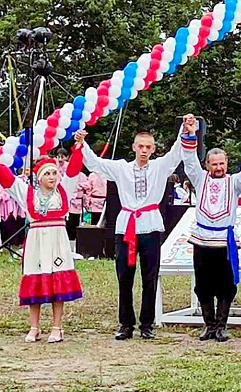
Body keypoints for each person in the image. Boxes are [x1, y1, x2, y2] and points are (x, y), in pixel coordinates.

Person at [73, 125, 183, 341]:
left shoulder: (160, 167)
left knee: (150, 278)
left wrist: (184, 130)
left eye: (148, 147)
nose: (144, 150)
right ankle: (125, 323)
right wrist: (81, 144)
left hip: (150, 226)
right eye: (140, 146)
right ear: (134, 147)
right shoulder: (121, 168)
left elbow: (176, 154)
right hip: (126, 227)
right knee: (124, 278)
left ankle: (147, 324)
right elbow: (95, 163)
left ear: (153, 149)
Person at [0, 140, 86, 343]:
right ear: (39, 178)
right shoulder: (28, 192)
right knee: (35, 281)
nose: (52, 177)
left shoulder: (64, 190)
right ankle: (34, 327)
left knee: (58, 284)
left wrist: (78, 147)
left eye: (54, 173)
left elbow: (74, 169)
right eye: (47, 174)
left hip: (57, 241)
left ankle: (57, 327)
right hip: (37, 240)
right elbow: (8, 180)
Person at [180, 114, 241, 342]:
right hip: (202, 240)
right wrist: (191, 132)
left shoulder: (234, 182)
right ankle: (209, 325)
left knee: (226, 285)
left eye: (221, 163)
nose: (218, 167)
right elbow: (189, 160)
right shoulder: (199, 179)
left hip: (224, 241)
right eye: (214, 164)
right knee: (202, 285)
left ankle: (222, 325)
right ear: (207, 165)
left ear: (226, 164)